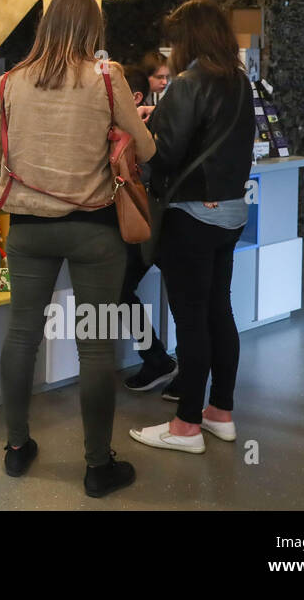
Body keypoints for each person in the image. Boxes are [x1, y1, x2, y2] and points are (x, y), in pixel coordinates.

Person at [0, 0, 156, 498]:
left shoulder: (12, 80)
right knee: (96, 347)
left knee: (21, 335)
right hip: (95, 230)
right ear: (93, 29)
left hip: (29, 229)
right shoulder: (108, 78)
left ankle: (17, 449)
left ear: (46, 26)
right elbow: (146, 147)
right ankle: (97, 466)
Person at [129, 0, 254, 455]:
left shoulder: (187, 83)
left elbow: (163, 155)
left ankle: (185, 426)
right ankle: (220, 413)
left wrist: (145, 130)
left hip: (191, 215)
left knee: (191, 321)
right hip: (231, 213)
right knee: (220, 311)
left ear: (189, 38)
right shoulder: (240, 81)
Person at [119, 63, 177, 391]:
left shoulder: (147, 128)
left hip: (152, 224)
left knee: (187, 302)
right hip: (148, 224)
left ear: (136, 96)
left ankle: (162, 362)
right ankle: (159, 360)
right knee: (121, 289)